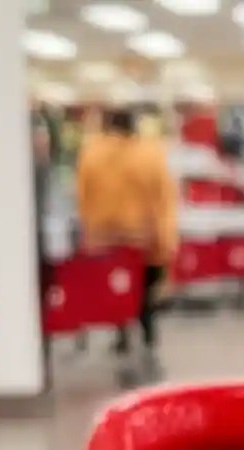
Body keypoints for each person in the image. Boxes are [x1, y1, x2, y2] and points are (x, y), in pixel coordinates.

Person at [77, 108, 179, 357]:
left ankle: (121, 334)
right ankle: (147, 332)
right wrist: (166, 241)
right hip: (143, 239)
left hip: (104, 240)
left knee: (116, 290)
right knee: (144, 291)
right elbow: (163, 198)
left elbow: (82, 196)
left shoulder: (91, 155)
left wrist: (89, 233)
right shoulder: (150, 155)